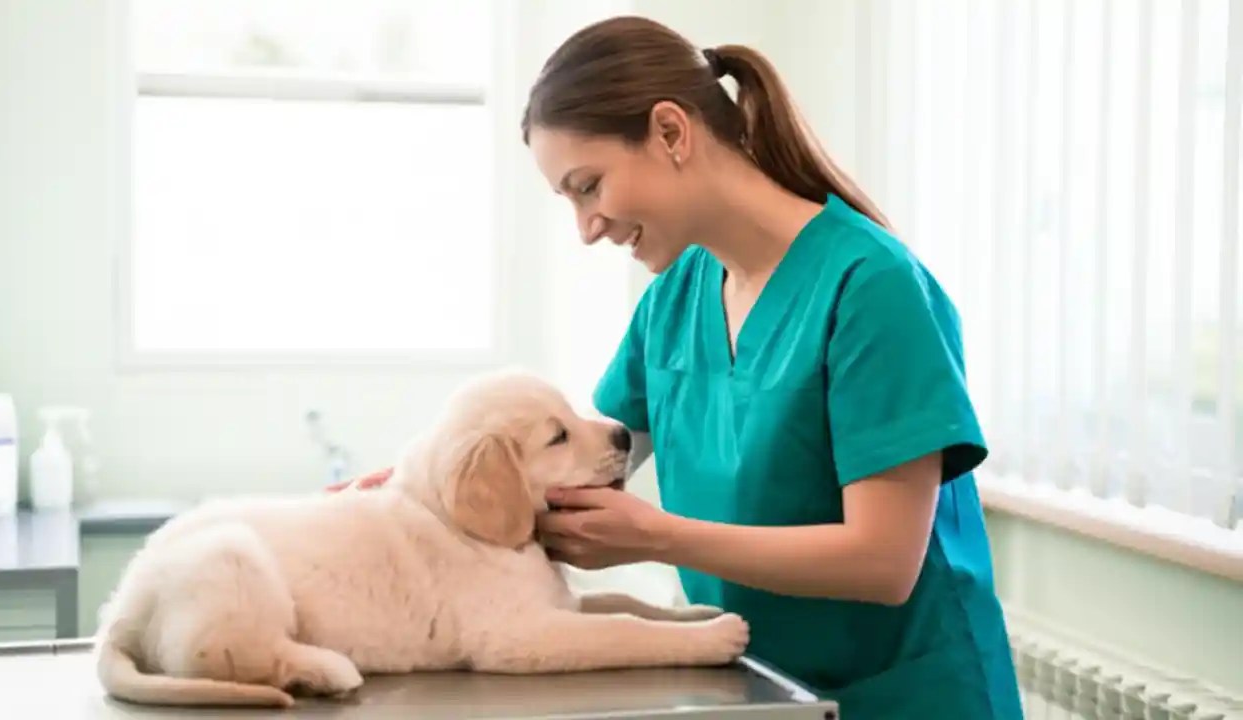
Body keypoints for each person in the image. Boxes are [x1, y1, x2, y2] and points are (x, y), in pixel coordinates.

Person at [336, 15, 1024, 720]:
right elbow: (580, 462)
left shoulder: (871, 287)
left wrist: (657, 534)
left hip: (905, 697)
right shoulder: (676, 297)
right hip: (760, 689)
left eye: (588, 186)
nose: (586, 228)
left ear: (671, 133)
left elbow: (883, 562)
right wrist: (435, 486)